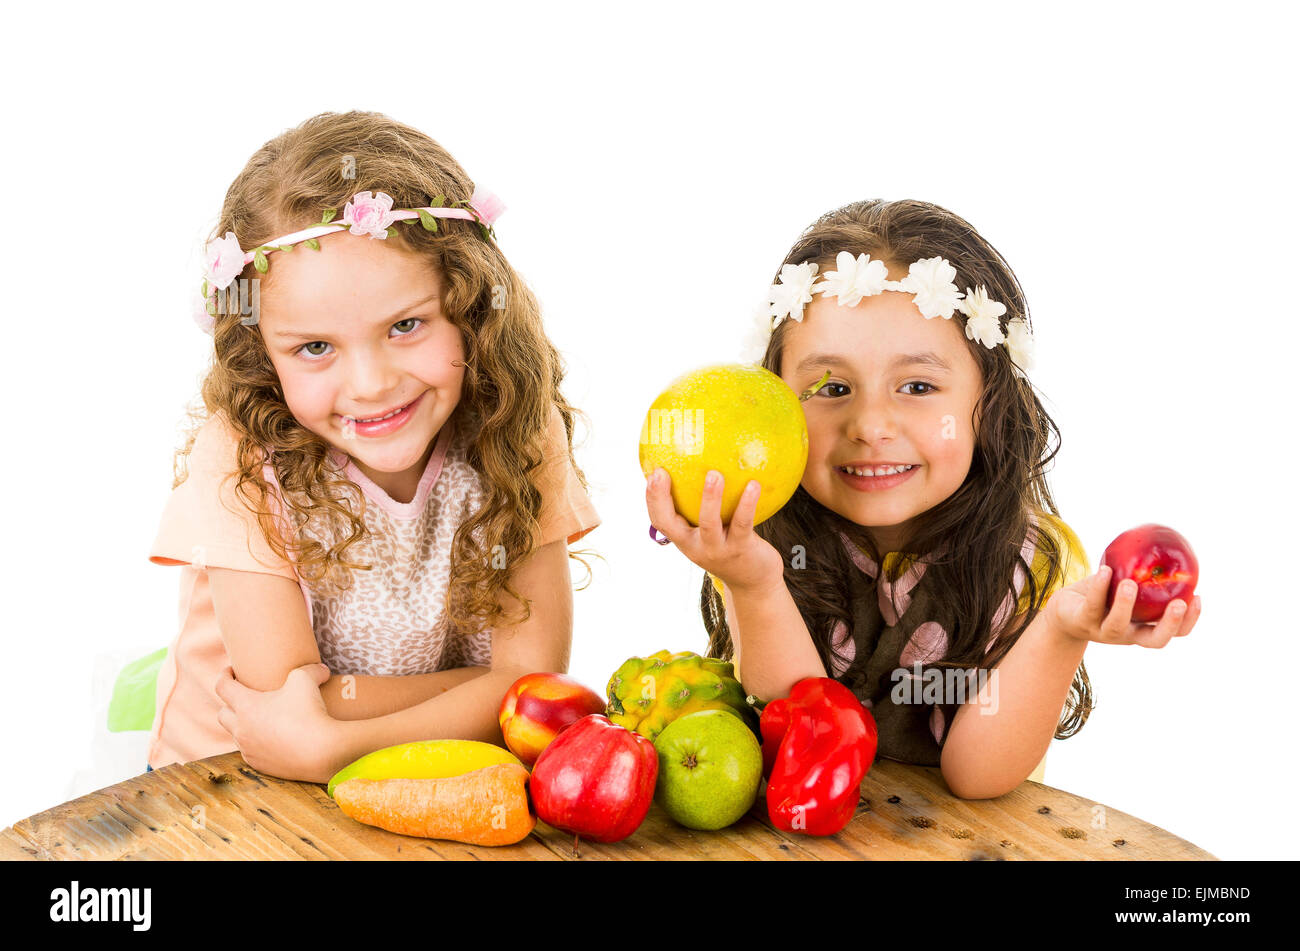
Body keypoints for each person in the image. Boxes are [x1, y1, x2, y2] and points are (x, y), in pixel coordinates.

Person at [645, 199, 1201, 800]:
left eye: (917, 386)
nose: (871, 425)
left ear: (989, 403)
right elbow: (805, 730)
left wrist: (1062, 631)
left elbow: (977, 777)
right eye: (831, 387)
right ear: (772, 401)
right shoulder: (765, 536)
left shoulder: (1024, 559)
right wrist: (753, 585)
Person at [147, 111, 600, 784]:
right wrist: (489, 688)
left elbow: (532, 681)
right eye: (315, 347)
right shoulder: (238, 459)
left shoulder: (517, 422)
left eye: (407, 325)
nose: (371, 384)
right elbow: (289, 711)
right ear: (263, 353)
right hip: (231, 785)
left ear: (470, 304)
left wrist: (335, 743)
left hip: (420, 773)